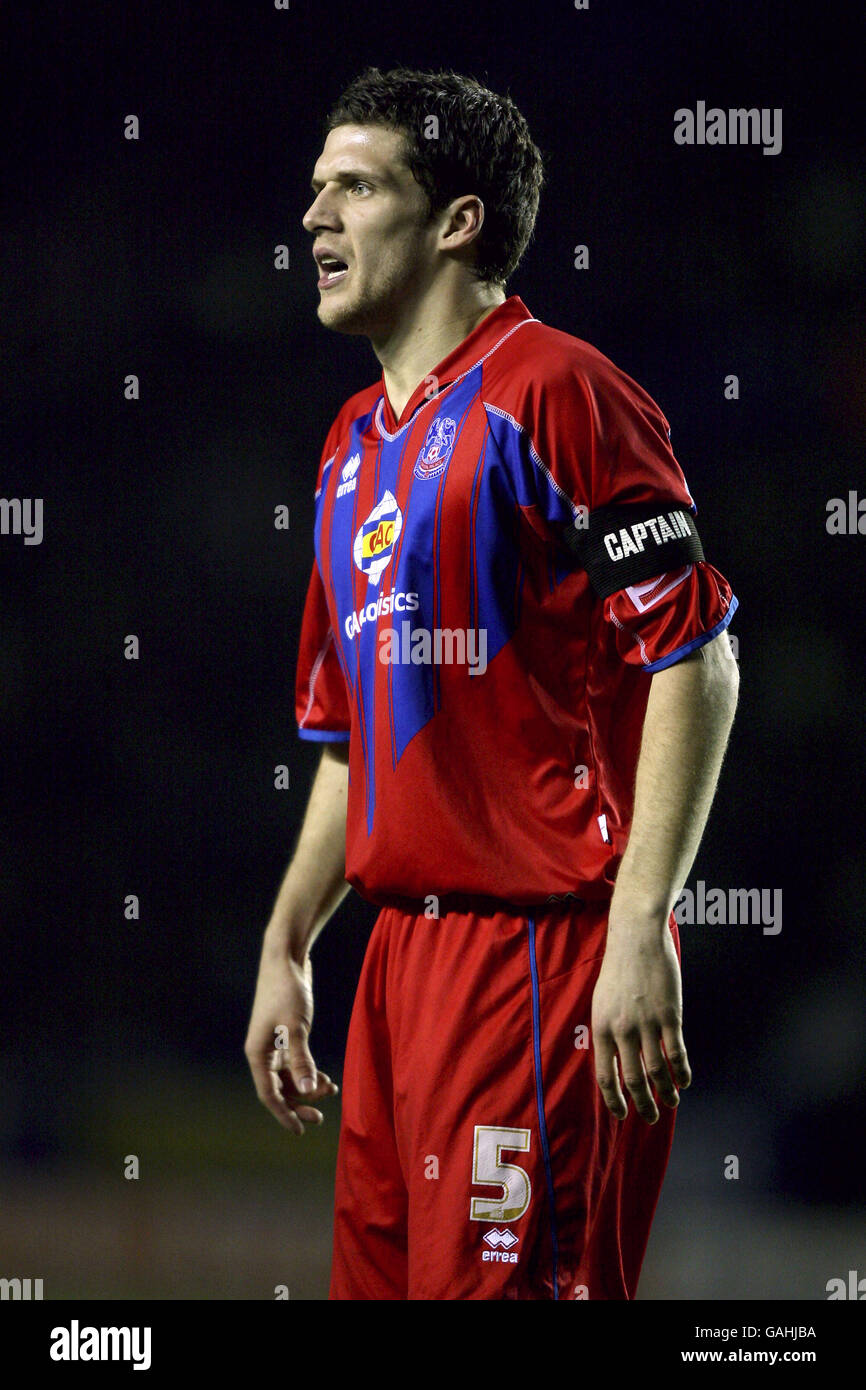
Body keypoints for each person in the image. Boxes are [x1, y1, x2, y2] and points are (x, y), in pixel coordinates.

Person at [245, 66, 740, 1301]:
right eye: (314, 189)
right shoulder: (350, 443)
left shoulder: (559, 392)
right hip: (395, 975)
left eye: (353, 187)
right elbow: (349, 737)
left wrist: (638, 921)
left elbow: (696, 653)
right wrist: (288, 940)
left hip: (538, 958)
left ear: (457, 220)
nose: (314, 219)